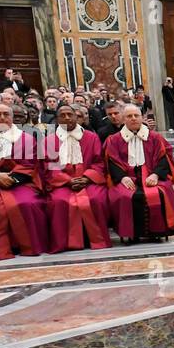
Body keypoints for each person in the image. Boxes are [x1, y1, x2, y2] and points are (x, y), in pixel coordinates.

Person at [0, 102, 48, 260]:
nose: (2, 118)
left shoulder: (26, 139)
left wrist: (11, 178)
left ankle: (28, 245)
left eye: (6, 114)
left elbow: (30, 164)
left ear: (12, 117)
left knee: (27, 203)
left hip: (22, 183)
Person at [43, 104, 111, 253]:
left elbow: (99, 162)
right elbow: (49, 165)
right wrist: (67, 180)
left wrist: (87, 178)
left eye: (70, 114)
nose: (67, 118)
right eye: (63, 115)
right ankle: (66, 242)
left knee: (96, 199)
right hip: (62, 183)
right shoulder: (49, 140)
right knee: (59, 201)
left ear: (77, 117)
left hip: (89, 181)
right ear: (57, 120)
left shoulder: (91, 137)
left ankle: (93, 238)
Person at [105, 104, 174, 243]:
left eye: (136, 115)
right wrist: (122, 177)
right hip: (126, 177)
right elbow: (112, 161)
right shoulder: (114, 139)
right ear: (123, 119)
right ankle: (131, 233)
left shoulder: (155, 137)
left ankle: (158, 232)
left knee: (160, 192)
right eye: (129, 116)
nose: (133, 119)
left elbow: (164, 157)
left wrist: (156, 174)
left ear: (141, 117)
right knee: (123, 196)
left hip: (152, 176)